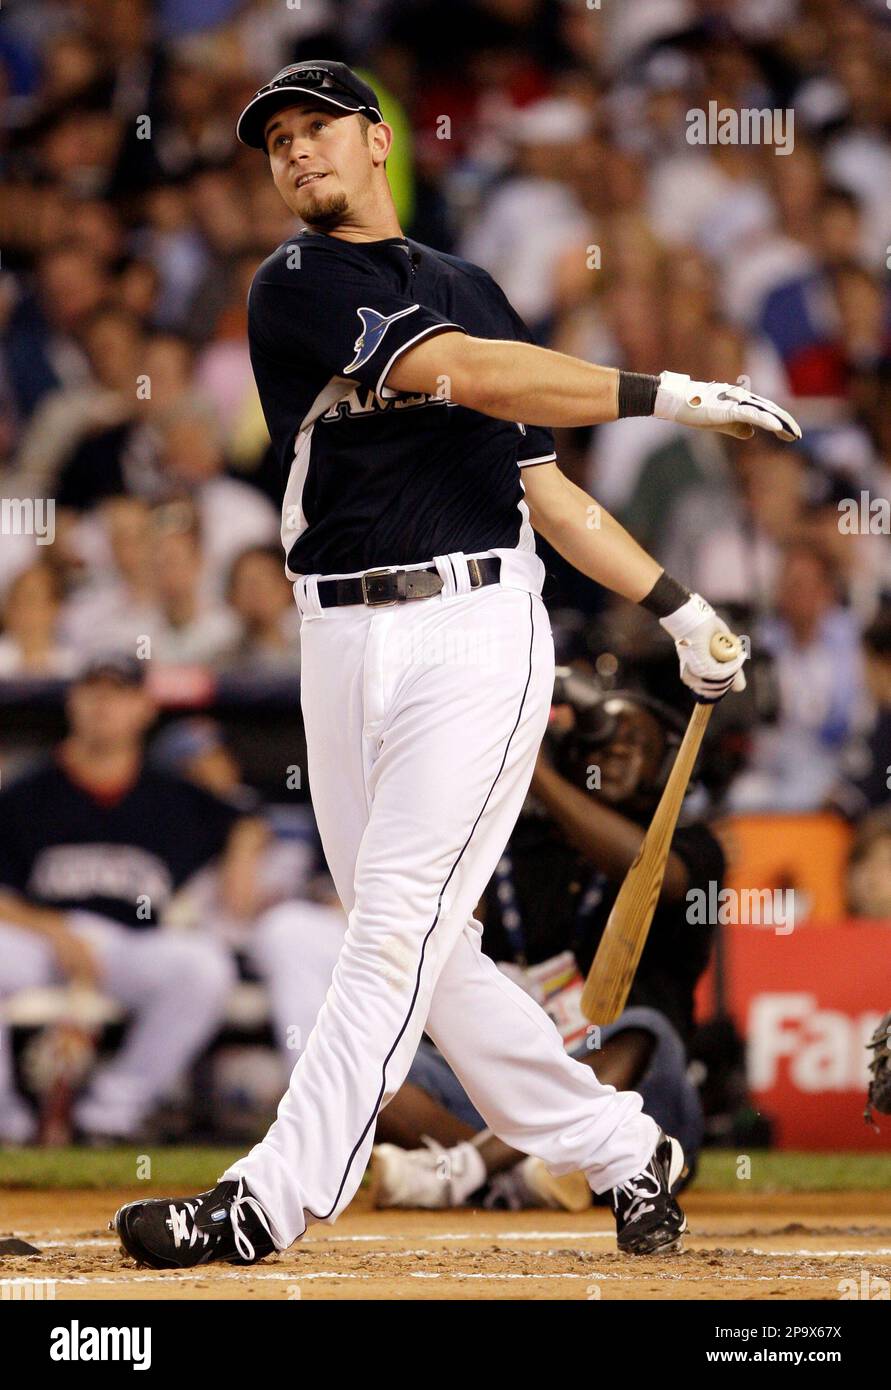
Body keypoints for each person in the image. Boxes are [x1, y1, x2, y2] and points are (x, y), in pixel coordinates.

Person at [112, 59, 800, 1269]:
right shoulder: (295, 284)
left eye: (316, 129)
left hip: (477, 628)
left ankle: (266, 1200)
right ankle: (627, 1146)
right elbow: (471, 375)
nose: (296, 153)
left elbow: (542, 486)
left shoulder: (471, 284)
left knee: (389, 929)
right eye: (275, 142)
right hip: (336, 632)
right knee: (430, 951)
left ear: (378, 141)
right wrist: (674, 393)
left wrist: (680, 604)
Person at [370, 688, 724, 1210]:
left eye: (635, 742)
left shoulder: (694, 843)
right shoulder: (519, 839)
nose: (616, 751)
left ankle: (467, 1170)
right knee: (377, 1063)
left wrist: (537, 774)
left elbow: (651, 877)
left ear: (665, 767)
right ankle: (515, 1178)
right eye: (600, 741)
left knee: (645, 1031)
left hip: (636, 1098)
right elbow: (456, 925)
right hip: (515, 1091)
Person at [0, 655, 265, 1145]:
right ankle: (6, 1126)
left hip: (130, 946)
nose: (103, 706)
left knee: (204, 968)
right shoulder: (25, 793)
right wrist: (54, 930)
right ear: (72, 702)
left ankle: (110, 1115)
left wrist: (244, 831)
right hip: (40, 939)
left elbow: (246, 821)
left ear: (144, 708)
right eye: (92, 692)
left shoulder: (174, 795)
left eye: (118, 694)